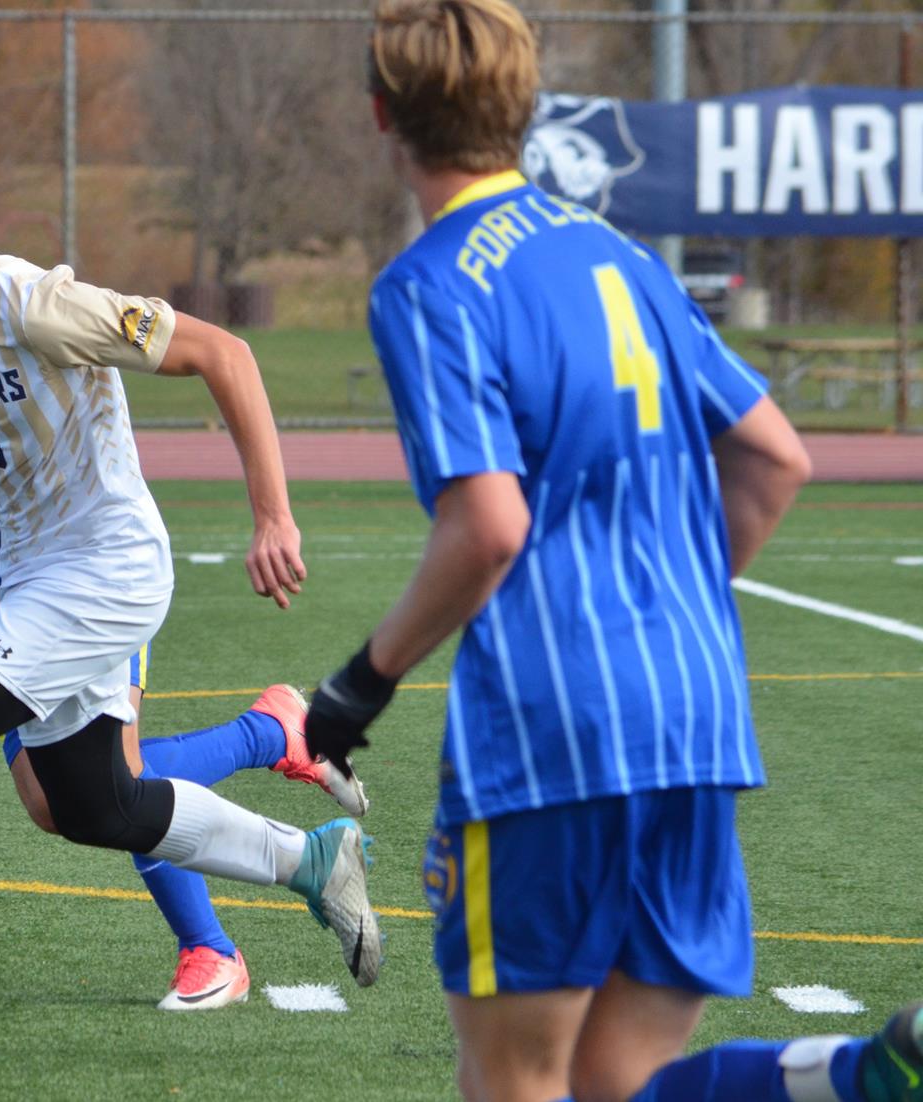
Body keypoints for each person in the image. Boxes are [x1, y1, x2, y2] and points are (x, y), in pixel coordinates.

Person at [299, 5, 920, 1102]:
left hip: (549, 738)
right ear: (525, 108)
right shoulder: (615, 252)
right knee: (624, 1080)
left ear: (379, 114)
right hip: (694, 711)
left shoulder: (429, 284)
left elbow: (487, 525)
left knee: (513, 1082)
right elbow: (774, 460)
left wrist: (359, 683)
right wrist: (655, 602)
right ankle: (857, 1076)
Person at [0, 129, 379, 1067]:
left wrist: (272, 517)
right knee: (91, 806)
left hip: (108, 570)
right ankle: (309, 859)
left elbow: (227, 355)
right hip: (35, 579)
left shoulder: (42, 307)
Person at [0, 315, 367, 1012]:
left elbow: (217, 355)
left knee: (85, 774)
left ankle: (211, 948)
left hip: (87, 578)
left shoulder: (25, 314)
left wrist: (272, 514)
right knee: (58, 803)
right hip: (9, 586)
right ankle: (273, 735)